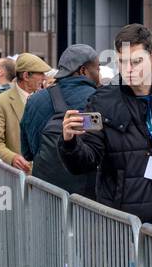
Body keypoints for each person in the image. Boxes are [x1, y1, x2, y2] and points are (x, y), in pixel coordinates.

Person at [60, 23, 152, 237]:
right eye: (122, 62)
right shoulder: (101, 102)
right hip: (123, 226)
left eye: (136, 62)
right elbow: (86, 162)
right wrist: (70, 142)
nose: (128, 70)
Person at [21, 44, 100, 196]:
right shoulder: (101, 100)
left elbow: (28, 153)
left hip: (45, 195)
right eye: (97, 69)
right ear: (83, 70)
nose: (99, 74)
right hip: (89, 200)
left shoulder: (35, 100)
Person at [0, 53, 49, 173]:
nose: (44, 78)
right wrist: (12, 158)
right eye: (40, 73)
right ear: (26, 76)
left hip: (44, 176)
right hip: (16, 176)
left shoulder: (47, 100)